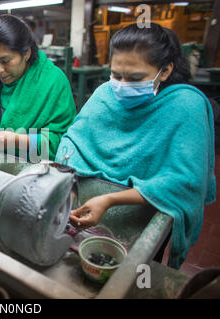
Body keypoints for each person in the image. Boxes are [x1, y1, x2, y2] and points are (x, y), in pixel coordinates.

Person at [55, 23, 216, 269]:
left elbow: (185, 182)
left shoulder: (185, 106)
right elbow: (72, 141)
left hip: (144, 214)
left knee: (134, 274)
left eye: (135, 78)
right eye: (116, 74)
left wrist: (109, 200)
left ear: (164, 71)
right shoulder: (105, 94)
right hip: (87, 208)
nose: (121, 85)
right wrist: (70, 185)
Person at [0, 14, 76, 161]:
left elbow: (60, 143)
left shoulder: (53, 82)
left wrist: (16, 141)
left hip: (34, 170)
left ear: (26, 53)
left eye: (5, 61)